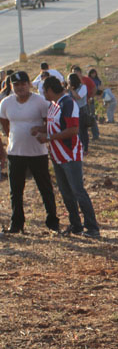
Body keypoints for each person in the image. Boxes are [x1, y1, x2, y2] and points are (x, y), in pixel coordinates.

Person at [32, 76, 99, 238]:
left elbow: (73, 130)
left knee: (78, 191)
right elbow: (55, 126)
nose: (43, 95)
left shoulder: (68, 104)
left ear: (49, 90)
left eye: (44, 92)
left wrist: (47, 138)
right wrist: (40, 129)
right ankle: (76, 225)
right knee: (65, 192)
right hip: (57, 155)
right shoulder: (54, 105)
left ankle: (92, 227)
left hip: (70, 154)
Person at [0, 71, 59, 233]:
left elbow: (50, 123)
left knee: (45, 188)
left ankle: (52, 222)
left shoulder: (40, 102)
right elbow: (4, 124)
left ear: (29, 84)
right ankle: (17, 223)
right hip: (15, 153)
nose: (20, 88)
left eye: (23, 84)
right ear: (11, 86)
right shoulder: (6, 103)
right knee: (16, 191)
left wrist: (40, 132)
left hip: (37, 153)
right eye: (16, 85)